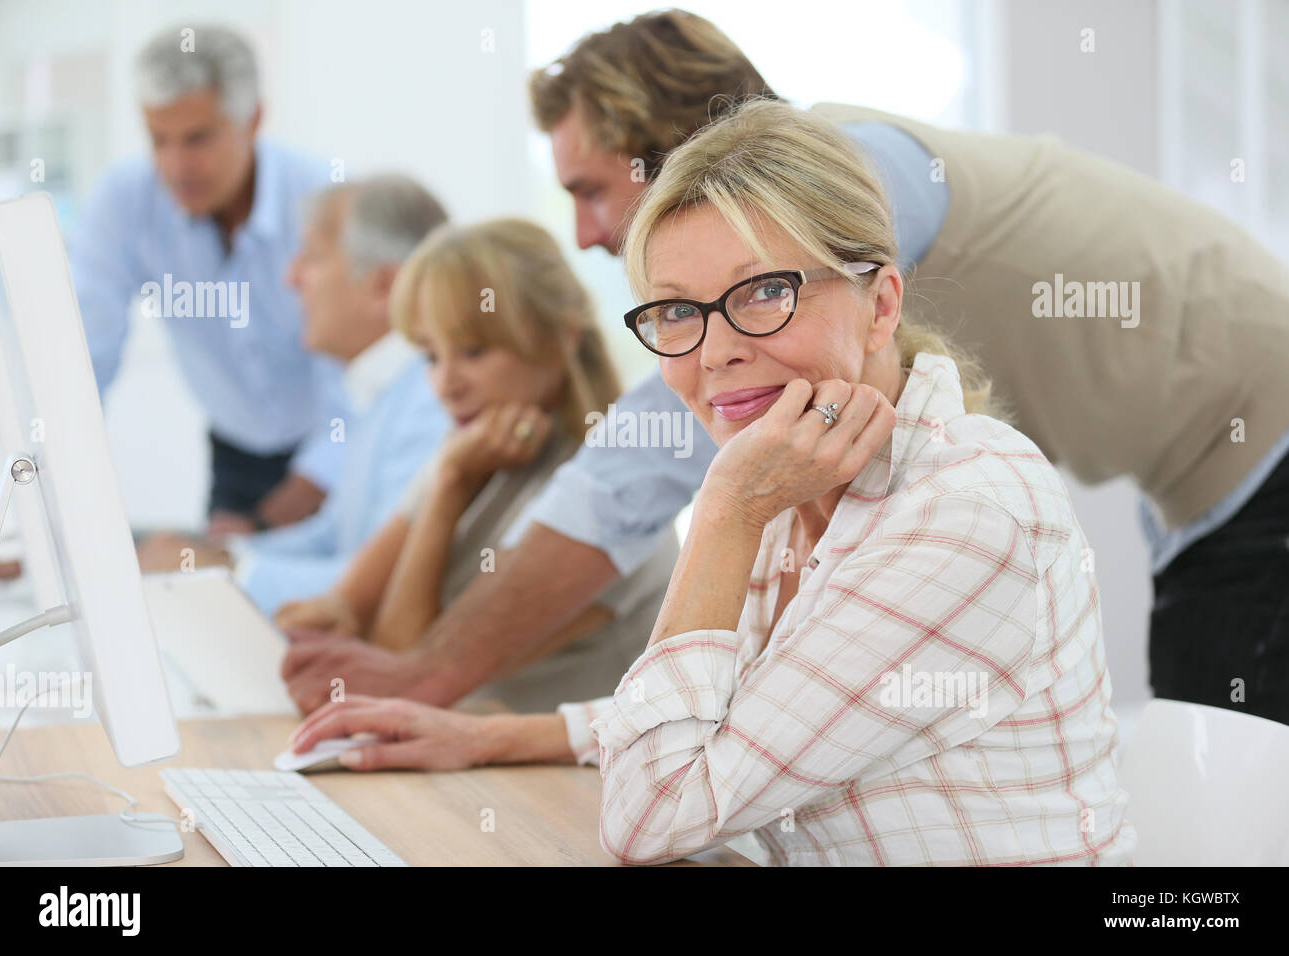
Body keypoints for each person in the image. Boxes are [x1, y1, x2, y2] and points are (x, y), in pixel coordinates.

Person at [283, 8, 1289, 726]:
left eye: (591, 189)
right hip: (1199, 470)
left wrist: (430, 673)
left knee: (1224, 752)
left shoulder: (842, 178)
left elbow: (635, 469)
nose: (586, 232)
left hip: (1263, 437)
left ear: (668, 145)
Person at [288, 100, 1136, 867]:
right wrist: (486, 736)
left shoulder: (962, 511)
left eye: (766, 291)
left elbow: (654, 815)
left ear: (881, 305)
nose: (714, 350)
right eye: (677, 312)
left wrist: (726, 509)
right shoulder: (800, 473)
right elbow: (743, 713)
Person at [278, 219, 679, 711]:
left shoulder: (616, 497)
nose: (447, 384)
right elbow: (346, 607)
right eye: (430, 355)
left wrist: (448, 489)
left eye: (472, 351)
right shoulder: (468, 453)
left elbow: (403, 668)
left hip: (560, 783)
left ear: (560, 338)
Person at [68, 24, 348, 536]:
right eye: (159, 139)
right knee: (216, 598)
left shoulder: (320, 202)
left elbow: (354, 393)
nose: (176, 166)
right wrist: (46, 514)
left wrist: (266, 523)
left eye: (198, 138)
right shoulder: (125, 202)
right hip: (235, 450)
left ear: (253, 119)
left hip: (337, 447)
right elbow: (83, 359)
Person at [137, 175, 451, 617]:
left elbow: (387, 579)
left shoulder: (434, 398)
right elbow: (332, 537)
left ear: (384, 286)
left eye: (314, 257)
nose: (291, 278)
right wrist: (224, 550)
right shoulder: (382, 393)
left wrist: (226, 571)